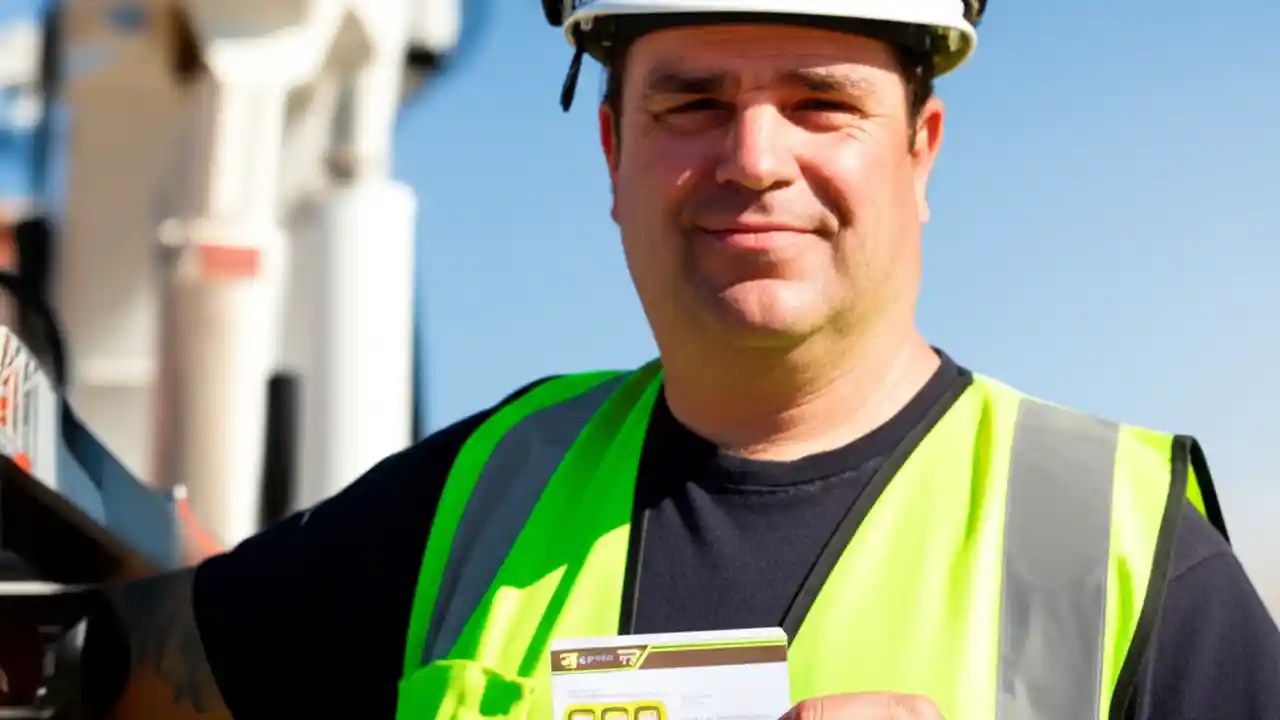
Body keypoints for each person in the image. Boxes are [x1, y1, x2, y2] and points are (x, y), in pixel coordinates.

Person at [82, 1, 1280, 718]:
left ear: (919, 150)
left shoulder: (1124, 554)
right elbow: (118, 676)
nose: (752, 157)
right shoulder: (477, 495)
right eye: (691, 104)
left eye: (819, 102)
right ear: (612, 150)